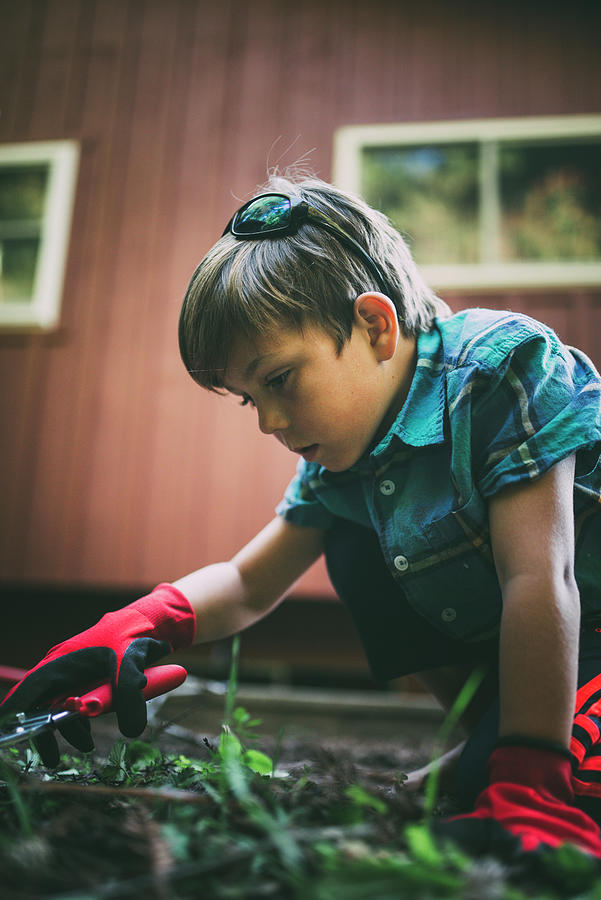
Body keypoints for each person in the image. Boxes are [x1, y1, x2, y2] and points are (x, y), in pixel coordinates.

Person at [3, 174, 601, 860]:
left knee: (552, 801)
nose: (268, 423)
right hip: (536, 670)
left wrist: (529, 786)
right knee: (348, 538)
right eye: (246, 399)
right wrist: (133, 627)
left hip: (584, 629)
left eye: (279, 379)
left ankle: (515, 766)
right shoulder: (346, 458)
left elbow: (540, 575)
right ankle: (485, 752)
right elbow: (248, 583)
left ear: (374, 325)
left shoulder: (499, 369)